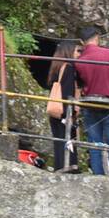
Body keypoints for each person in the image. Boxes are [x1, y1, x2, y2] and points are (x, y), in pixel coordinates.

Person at [74, 26, 109, 177]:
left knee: (94, 143)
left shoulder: (79, 60)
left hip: (90, 103)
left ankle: (98, 175)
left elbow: (79, 83)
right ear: (97, 38)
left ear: (82, 42)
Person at [46, 40, 81, 172]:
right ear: (69, 51)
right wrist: (69, 115)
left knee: (59, 141)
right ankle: (69, 168)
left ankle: (60, 167)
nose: (79, 54)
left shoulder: (57, 67)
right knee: (67, 140)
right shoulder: (69, 68)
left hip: (55, 111)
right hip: (64, 111)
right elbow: (67, 93)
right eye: (77, 51)